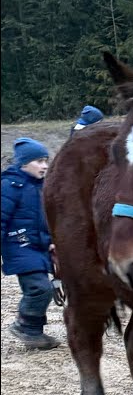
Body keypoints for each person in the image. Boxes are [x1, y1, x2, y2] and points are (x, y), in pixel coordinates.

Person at [2, 137, 59, 349]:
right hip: (19, 245)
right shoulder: (10, 186)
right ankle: (24, 326)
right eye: (38, 161)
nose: (44, 165)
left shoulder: (42, 187)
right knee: (40, 288)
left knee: (44, 290)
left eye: (46, 160)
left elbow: (48, 219)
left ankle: (34, 333)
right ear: (23, 163)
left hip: (39, 247)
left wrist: (53, 241)